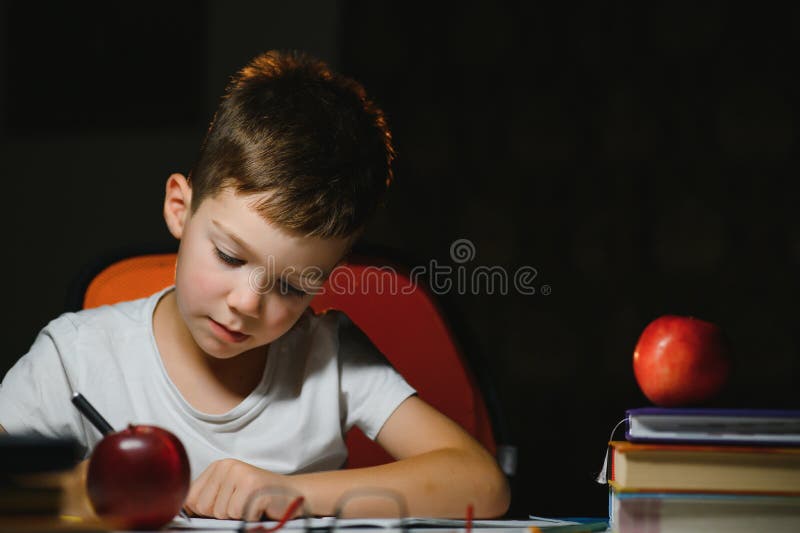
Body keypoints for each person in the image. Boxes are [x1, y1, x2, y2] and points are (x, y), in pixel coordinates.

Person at [0, 50, 509, 520]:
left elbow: (481, 483)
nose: (245, 303)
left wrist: (293, 494)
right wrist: (78, 490)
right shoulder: (74, 359)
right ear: (180, 208)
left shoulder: (328, 360)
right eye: (228, 256)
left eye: (291, 286)